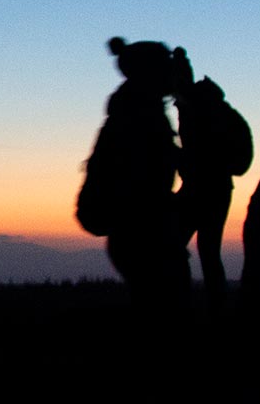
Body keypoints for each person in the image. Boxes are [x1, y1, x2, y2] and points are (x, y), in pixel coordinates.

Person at [77, 37, 189, 317]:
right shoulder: (139, 118)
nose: (170, 74)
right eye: (165, 68)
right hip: (145, 235)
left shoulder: (136, 112)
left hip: (139, 233)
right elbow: (143, 185)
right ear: (150, 74)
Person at [172, 47, 253, 310]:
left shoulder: (197, 109)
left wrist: (174, 154)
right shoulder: (204, 105)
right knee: (207, 250)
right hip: (218, 188)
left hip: (203, 187)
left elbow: (200, 151)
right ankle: (217, 309)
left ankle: (177, 308)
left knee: (172, 244)